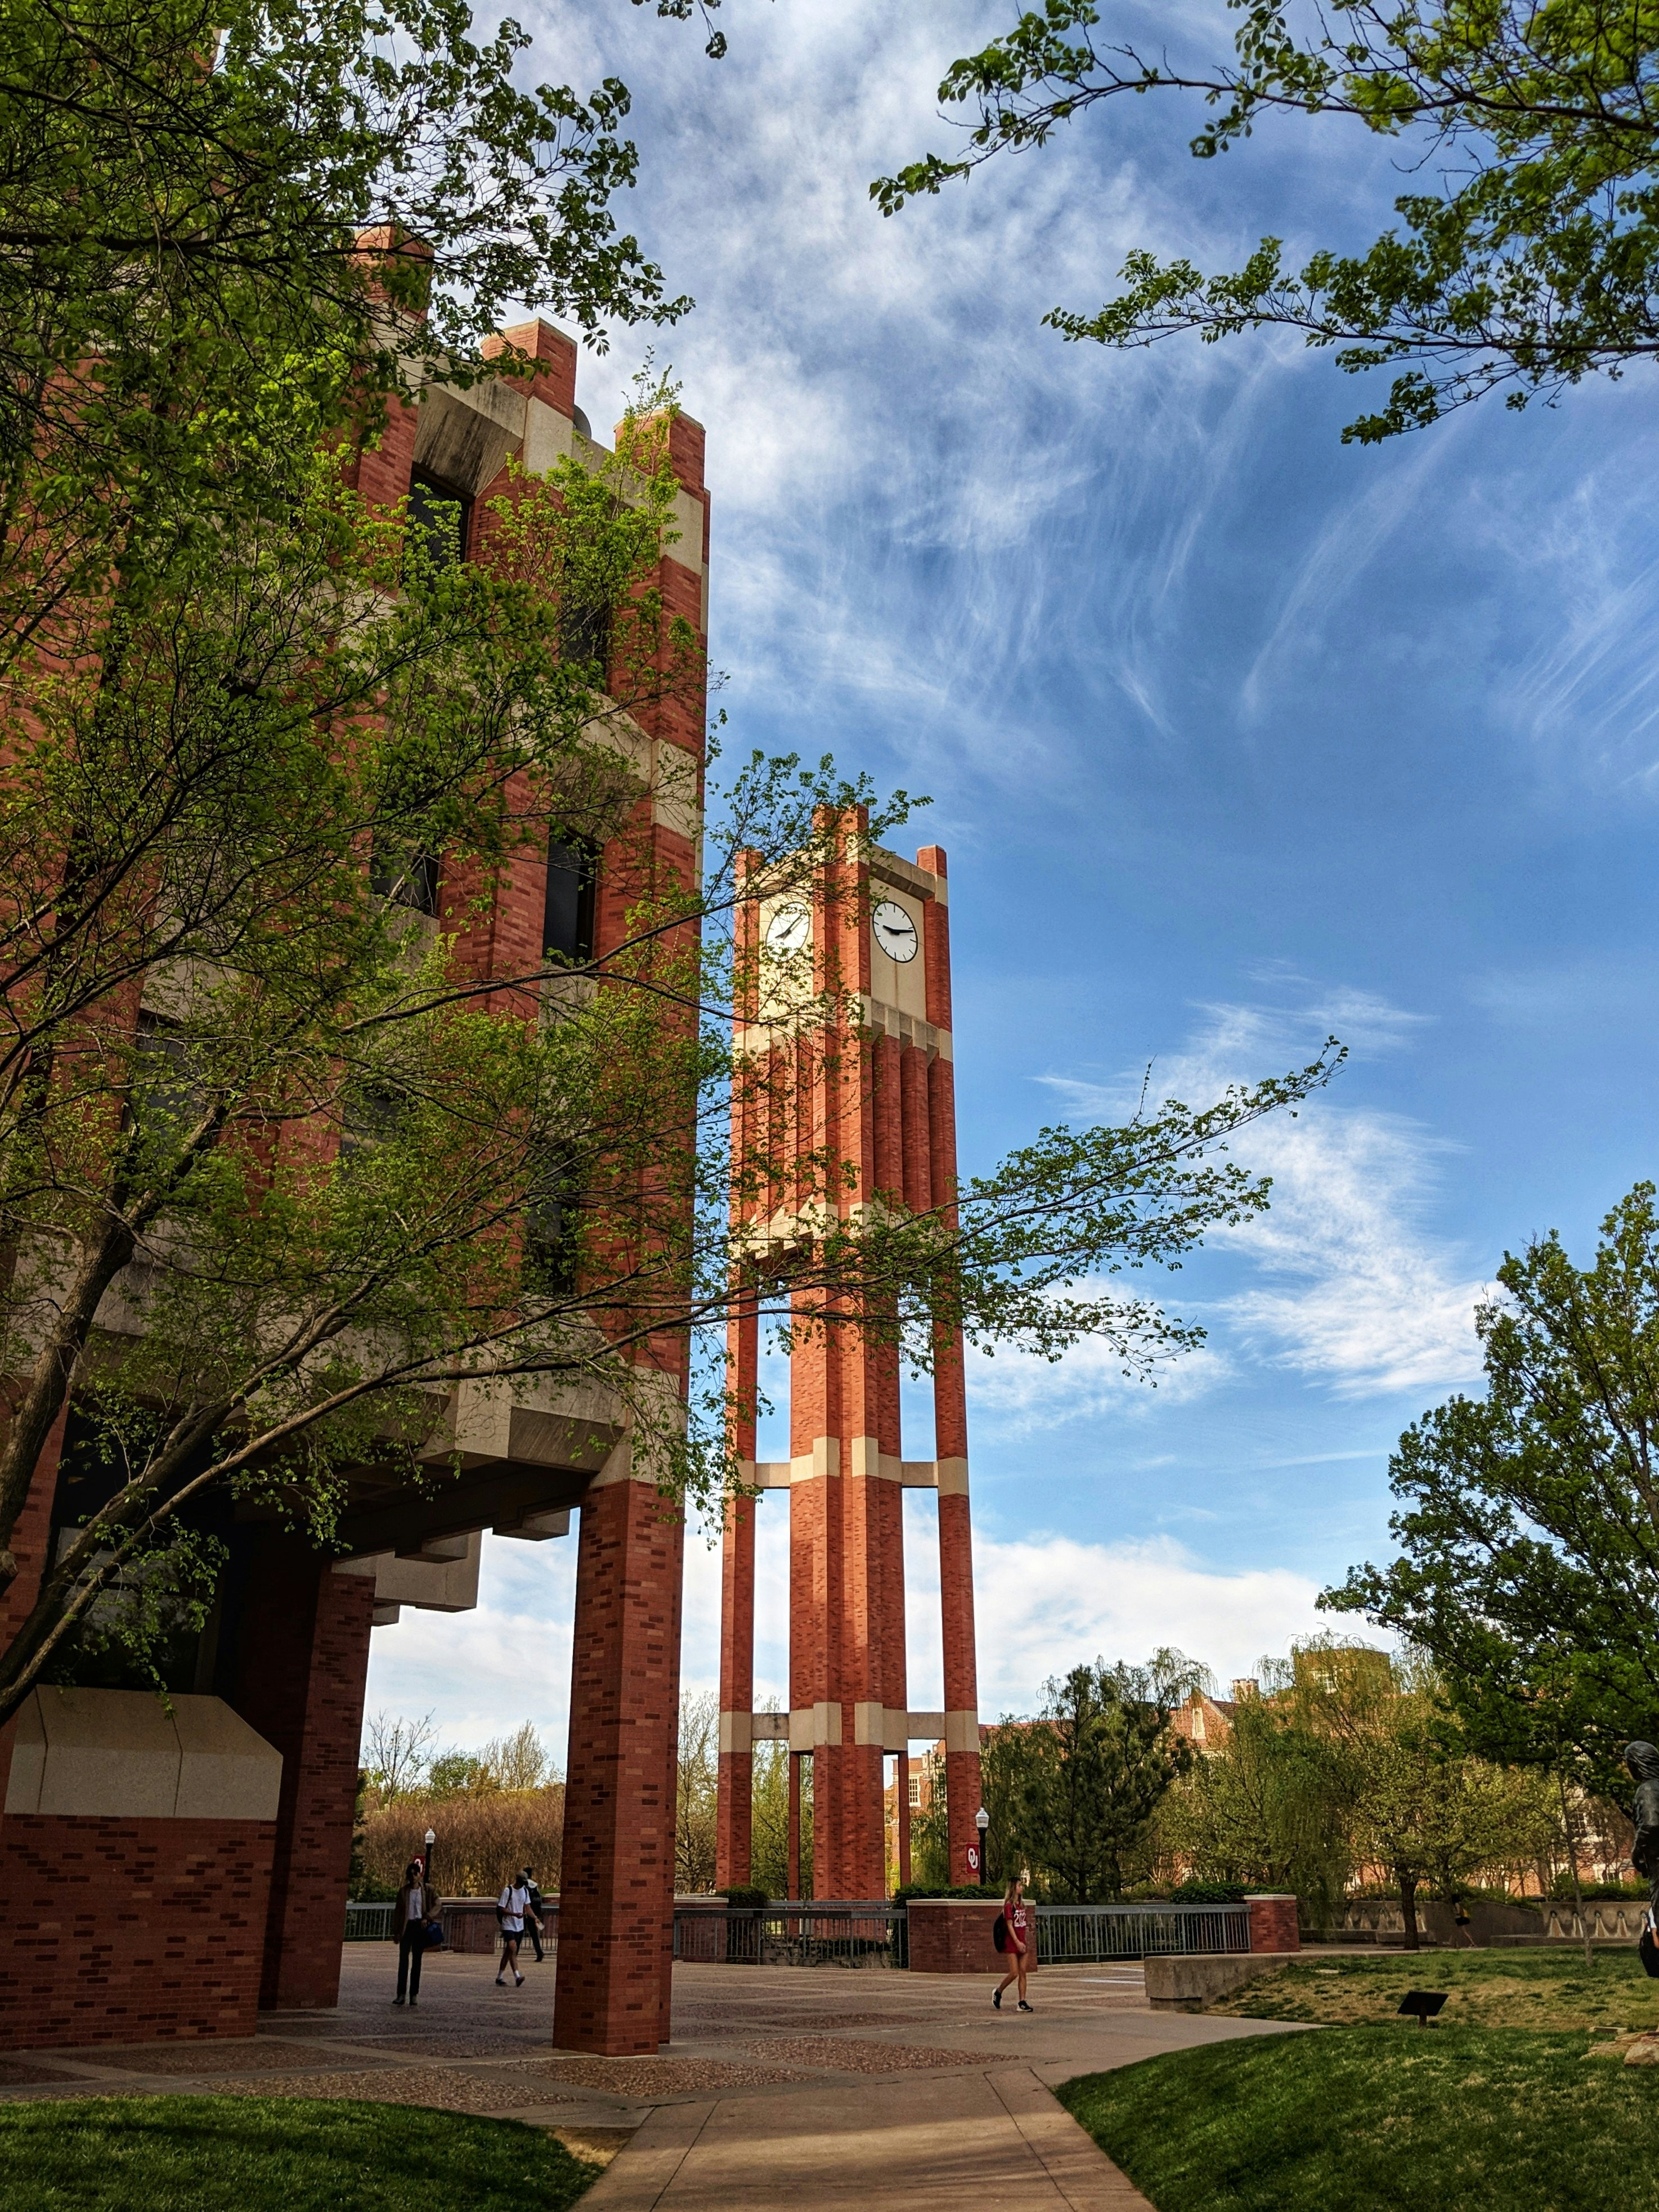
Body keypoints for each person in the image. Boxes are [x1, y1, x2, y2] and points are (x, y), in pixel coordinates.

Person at [993, 1876, 1034, 2013]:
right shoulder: (1009, 1906)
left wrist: (1024, 1941)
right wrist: (1017, 1942)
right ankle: (998, 1991)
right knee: (1014, 1973)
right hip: (1012, 1943)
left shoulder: (1021, 1905)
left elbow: (1024, 1924)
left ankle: (1022, 2002)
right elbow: (1010, 1926)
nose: (1021, 1887)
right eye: (1019, 1885)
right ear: (1013, 1888)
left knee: (1023, 1972)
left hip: (1023, 1942)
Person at [392, 1859, 430, 2007]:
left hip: (419, 1927)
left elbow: (435, 1905)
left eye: (416, 1874)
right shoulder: (403, 1892)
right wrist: (396, 1932)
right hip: (407, 1927)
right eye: (411, 1874)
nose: (413, 1876)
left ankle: (414, 1994)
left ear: (420, 1875)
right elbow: (398, 1913)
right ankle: (401, 1994)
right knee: (403, 1962)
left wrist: (427, 1917)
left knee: (417, 1962)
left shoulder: (426, 1891)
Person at [496, 1870, 536, 1987]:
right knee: (512, 1947)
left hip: (520, 1926)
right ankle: (517, 1976)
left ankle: (500, 1976)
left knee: (509, 1952)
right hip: (509, 1924)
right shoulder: (508, 1891)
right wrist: (514, 1914)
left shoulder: (525, 1891)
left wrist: (535, 1918)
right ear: (518, 1880)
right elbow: (501, 1908)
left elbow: (527, 1907)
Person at [521, 1868, 547, 1963]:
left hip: (525, 1912)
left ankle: (513, 1953)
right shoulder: (534, 1885)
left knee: (519, 1933)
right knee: (534, 1934)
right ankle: (539, 1952)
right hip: (534, 1913)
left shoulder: (524, 1885)